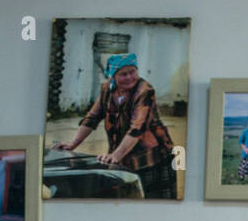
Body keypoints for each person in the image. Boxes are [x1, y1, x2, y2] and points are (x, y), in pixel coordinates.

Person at [52, 53, 178, 199]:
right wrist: (72, 144)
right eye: (123, 74)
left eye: (132, 72)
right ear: (113, 76)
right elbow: (92, 118)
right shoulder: (107, 89)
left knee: (152, 198)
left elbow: (137, 127)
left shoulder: (144, 91)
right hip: (123, 152)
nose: (130, 77)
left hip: (151, 155)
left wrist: (116, 155)